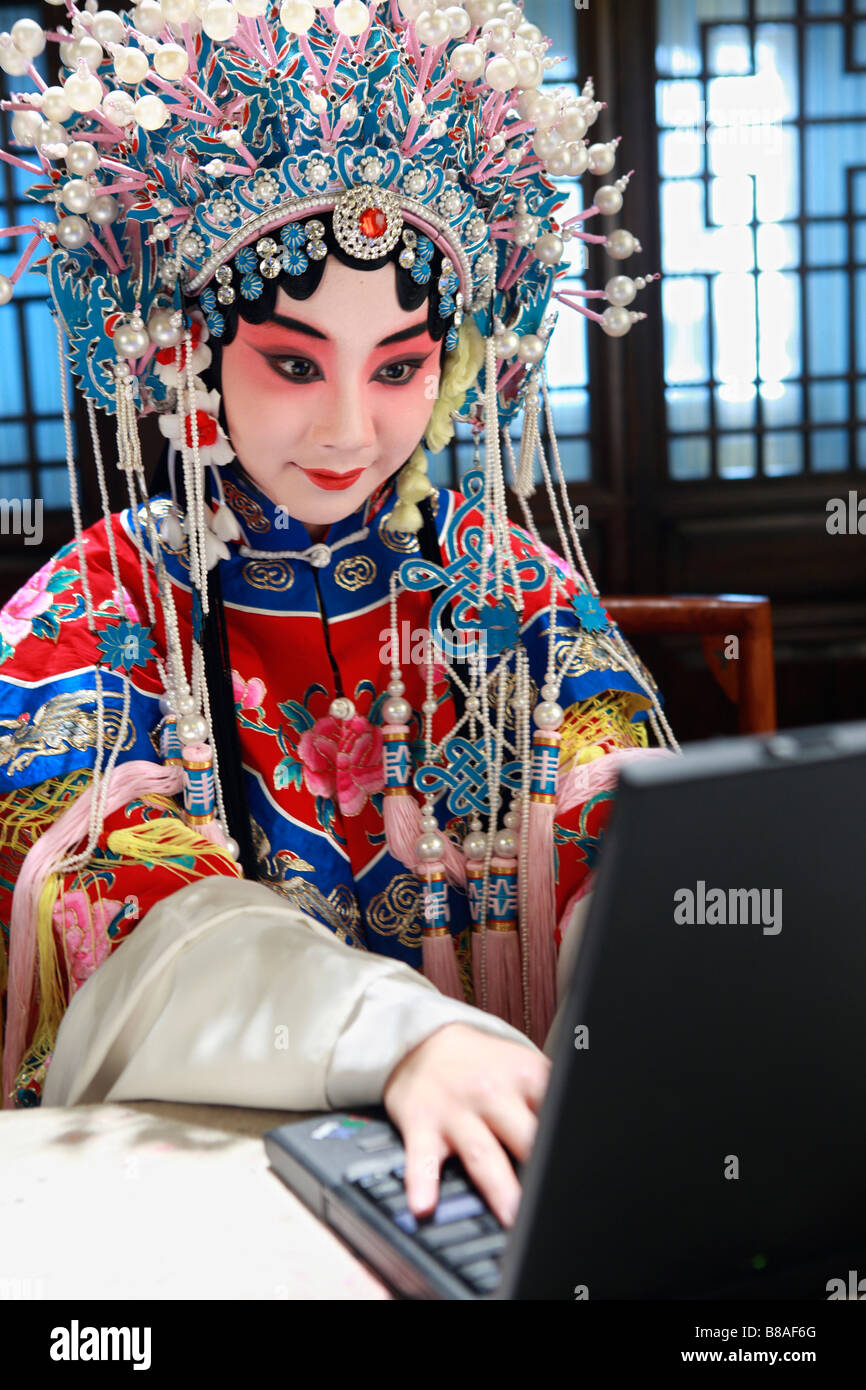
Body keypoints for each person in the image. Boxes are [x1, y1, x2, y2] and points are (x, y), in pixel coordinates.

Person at [0, 0, 677, 1230]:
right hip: (209, 1201)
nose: (349, 430)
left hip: (499, 1181)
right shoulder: (93, 611)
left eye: (400, 365)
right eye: (295, 362)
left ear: (456, 362)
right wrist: (400, 1036)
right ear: (189, 348)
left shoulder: (513, 590)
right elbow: (112, 907)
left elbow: (631, 854)